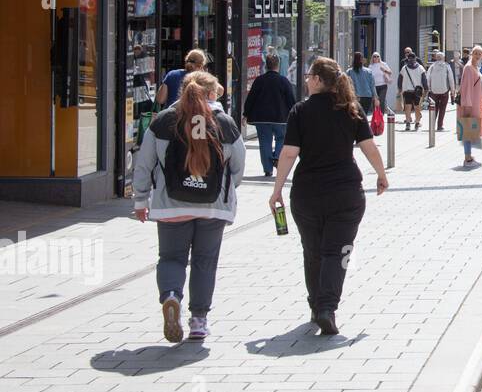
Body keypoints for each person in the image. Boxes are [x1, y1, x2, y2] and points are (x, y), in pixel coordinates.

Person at [269, 58, 388, 336]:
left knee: (313, 252)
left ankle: (315, 305)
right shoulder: (351, 109)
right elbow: (368, 147)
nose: (307, 80)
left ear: (320, 80)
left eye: (310, 76)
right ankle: (327, 308)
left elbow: (288, 153)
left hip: (307, 194)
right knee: (339, 252)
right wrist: (381, 174)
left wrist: (277, 190)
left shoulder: (301, 111)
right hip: (346, 193)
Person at [133, 71, 244, 343]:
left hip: (171, 205)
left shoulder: (162, 122)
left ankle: (171, 296)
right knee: (205, 263)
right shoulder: (225, 124)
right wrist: (225, 191)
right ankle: (199, 321)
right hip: (212, 207)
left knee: (171, 259)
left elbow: (144, 164)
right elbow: (238, 168)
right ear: (211, 94)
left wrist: (140, 199)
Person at [243, 52, 297, 177]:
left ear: (266, 66)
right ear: (278, 65)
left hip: (261, 119)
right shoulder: (284, 81)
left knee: (264, 142)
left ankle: (268, 169)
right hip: (280, 118)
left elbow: (251, 98)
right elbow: (291, 100)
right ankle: (277, 156)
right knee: (281, 138)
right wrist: (294, 115)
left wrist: (246, 114)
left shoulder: (259, 80)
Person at [458, 46, 482, 168]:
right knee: (468, 129)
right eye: (475, 53)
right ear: (471, 54)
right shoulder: (469, 68)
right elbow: (467, 88)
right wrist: (468, 105)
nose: (477, 55)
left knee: (470, 130)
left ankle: (469, 156)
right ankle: (467, 159)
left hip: (475, 102)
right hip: (470, 104)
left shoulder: (475, 67)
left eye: (480, 53)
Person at [397, 50, 428, 131]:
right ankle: (417, 123)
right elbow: (424, 80)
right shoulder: (420, 68)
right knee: (417, 107)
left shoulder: (404, 68)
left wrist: (399, 89)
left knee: (408, 107)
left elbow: (399, 79)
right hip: (417, 91)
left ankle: (408, 123)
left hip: (407, 90)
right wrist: (426, 89)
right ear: (415, 59)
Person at [426, 50, 456, 131]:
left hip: (433, 92)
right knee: (442, 109)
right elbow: (451, 79)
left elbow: (427, 78)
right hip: (444, 91)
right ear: (443, 58)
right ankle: (440, 126)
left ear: (436, 58)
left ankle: (432, 125)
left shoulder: (432, 66)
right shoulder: (447, 66)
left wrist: (428, 89)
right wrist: (453, 92)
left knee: (433, 109)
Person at [347, 52, 376, 116]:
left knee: (355, 115)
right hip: (367, 96)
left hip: (355, 96)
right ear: (362, 60)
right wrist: (375, 97)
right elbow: (372, 85)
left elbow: (347, 85)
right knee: (364, 115)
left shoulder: (349, 72)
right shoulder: (368, 71)